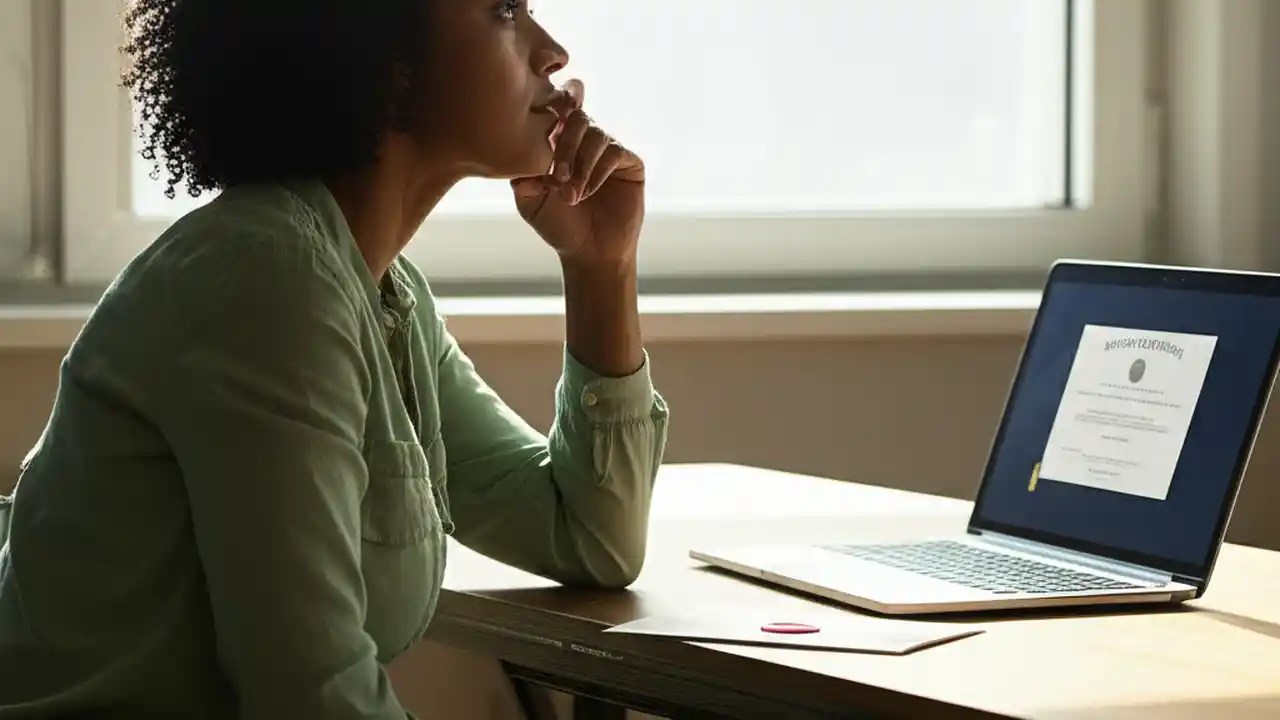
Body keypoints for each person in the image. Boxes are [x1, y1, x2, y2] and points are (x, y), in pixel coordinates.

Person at [0, 0, 669, 717]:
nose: (554, 52)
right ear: (386, 54)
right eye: (505, 12)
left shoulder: (374, 290)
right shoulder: (267, 281)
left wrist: (601, 265)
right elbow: (310, 695)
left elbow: (591, 539)